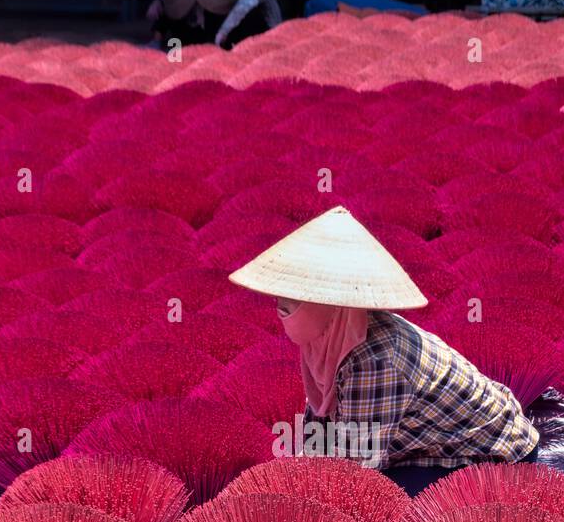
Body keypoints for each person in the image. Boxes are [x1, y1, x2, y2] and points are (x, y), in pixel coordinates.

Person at [229, 206, 539, 495]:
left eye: (295, 295)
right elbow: (322, 433)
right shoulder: (330, 337)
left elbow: (354, 473)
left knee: (370, 500)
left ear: (330, 301)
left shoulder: (374, 361)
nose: (280, 304)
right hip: (424, 449)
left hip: (495, 459)